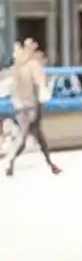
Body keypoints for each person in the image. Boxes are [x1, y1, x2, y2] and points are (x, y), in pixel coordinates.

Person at [6, 40, 60, 177]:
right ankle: (11, 160)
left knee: (38, 137)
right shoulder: (30, 65)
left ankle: (50, 163)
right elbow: (39, 84)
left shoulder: (21, 66)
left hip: (25, 105)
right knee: (26, 136)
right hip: (29, 106)